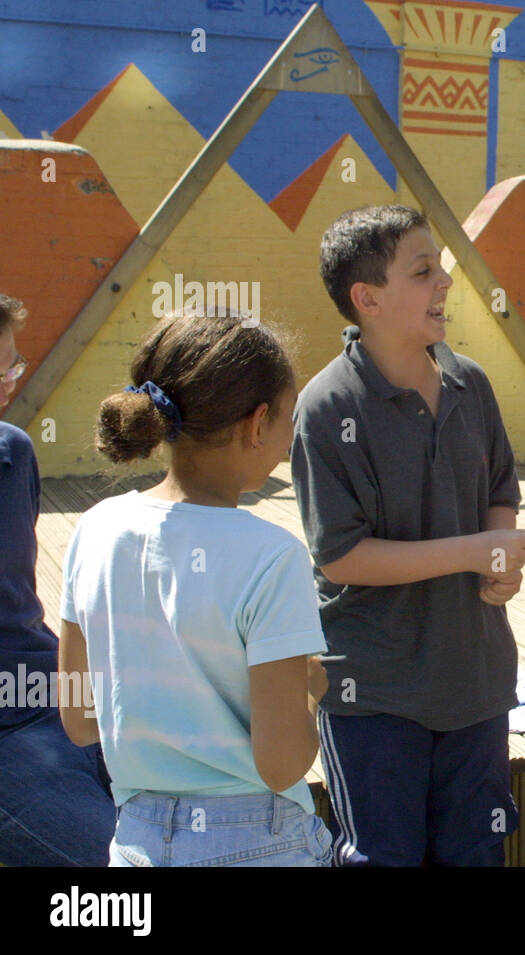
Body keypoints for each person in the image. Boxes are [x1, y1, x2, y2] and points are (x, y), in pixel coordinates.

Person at [292, 205, 525, 867]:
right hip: (373, 695)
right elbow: (341, 557)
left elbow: (500, 493)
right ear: (366, 299)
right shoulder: (327, 408)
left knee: (476, 852)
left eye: (441, 268)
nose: (445, 284)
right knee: (382, 857)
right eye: (423, 271)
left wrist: (500, 559)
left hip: (475, 684)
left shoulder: (472, 384)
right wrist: (473, 551)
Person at [57, 309, 332, 867]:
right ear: (257, 425)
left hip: (136, 840)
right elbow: (281, 764)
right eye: (288, 419)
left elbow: (80, 719)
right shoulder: (273, 557)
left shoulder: (94, 529)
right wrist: (311, 691)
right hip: (261, 843)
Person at [0, 292, 116, 866]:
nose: (9, 386)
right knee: (120, 872)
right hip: (10, 742)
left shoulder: (13, 453)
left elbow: (18, 601)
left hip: (55, 691)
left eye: (12, 367)